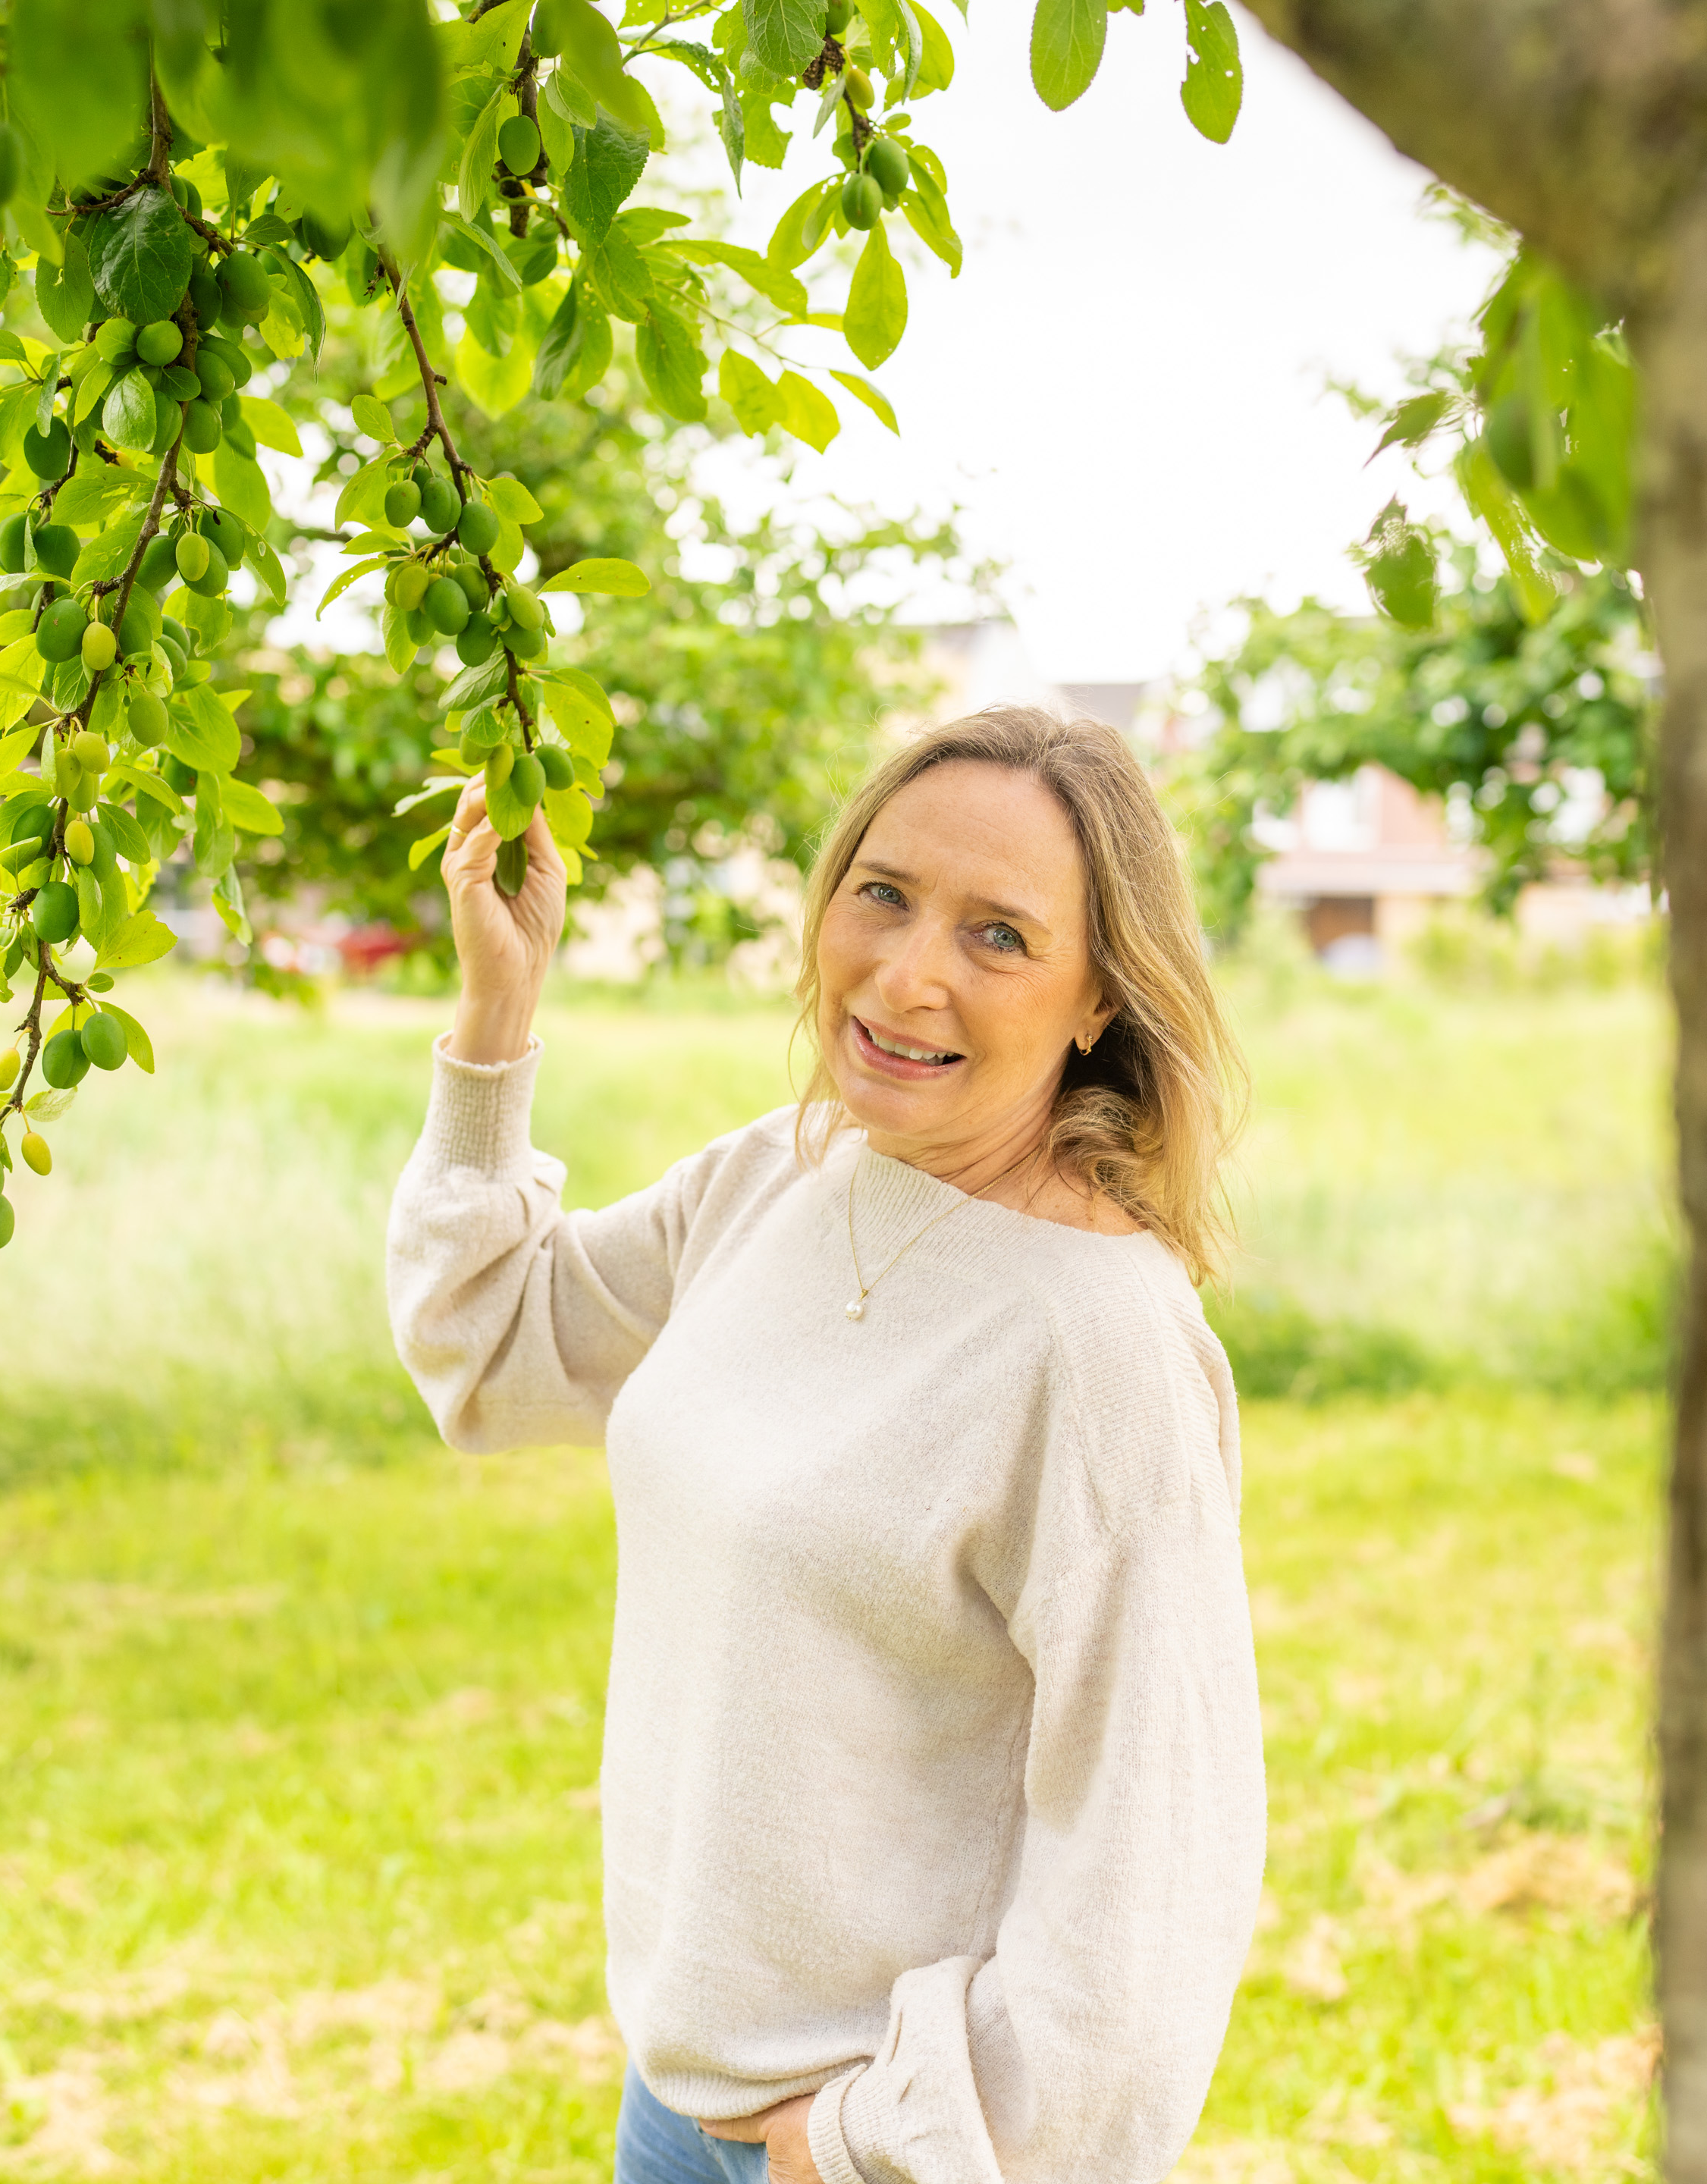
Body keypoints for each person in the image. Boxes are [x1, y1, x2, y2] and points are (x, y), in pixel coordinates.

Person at [387, 707, 1266, 2184]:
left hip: (871, 2150)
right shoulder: (784, 1179)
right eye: (884, 893)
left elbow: (1154, 1866)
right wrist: (497, 1013)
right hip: (677, 2100)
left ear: (1099, 998)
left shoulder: (1101, 1343)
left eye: (999, 936)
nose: (909, 975)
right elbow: (494, 1345)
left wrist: (873, 2143)